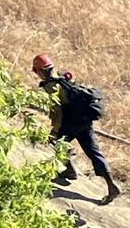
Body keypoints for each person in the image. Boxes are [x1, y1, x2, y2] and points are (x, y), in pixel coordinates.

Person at [33, 55, 118, 203]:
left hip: (70, 122)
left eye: (36, 71)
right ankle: (111, 186)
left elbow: (57, 111)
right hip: (84, 121)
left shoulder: (51, 86)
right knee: (94, 153)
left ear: (40, 71)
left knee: (56, 142)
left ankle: (70, 170)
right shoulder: (64, 77)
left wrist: (55, 130)